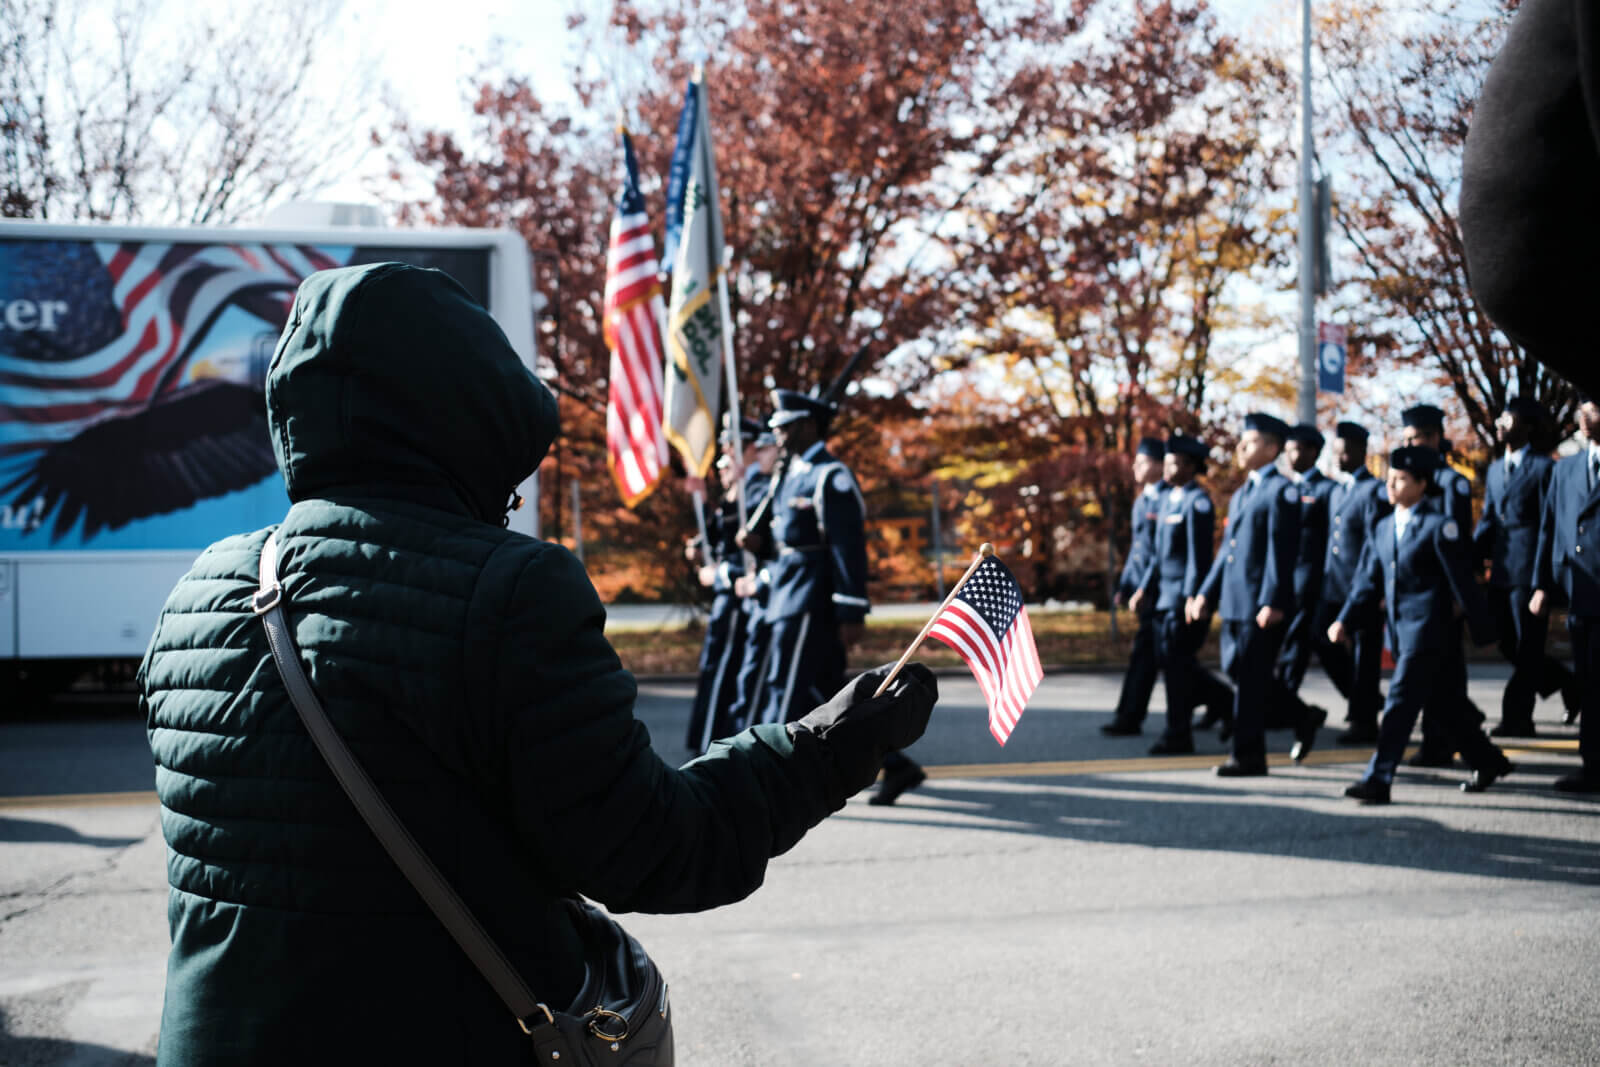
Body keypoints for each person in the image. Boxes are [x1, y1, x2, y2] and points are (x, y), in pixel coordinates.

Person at [137, 263, 939, 1064]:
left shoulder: (199, 591)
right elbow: (656, 847)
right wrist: (833, 744)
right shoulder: (509, 588)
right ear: (469, 421)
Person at [742, 388, 926, 805]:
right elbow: (786, 541)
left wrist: (851, 610)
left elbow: (846, 548)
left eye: (786, 428)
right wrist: (760, 546)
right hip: (787, 597)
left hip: (811, 601)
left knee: (788, 693)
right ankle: (897, 767)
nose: (780, 437)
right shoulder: (792, 474)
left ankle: (777, 781)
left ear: (807, 426)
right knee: (829, 698)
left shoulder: (830, 476)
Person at [1332, 446, 1513, 804]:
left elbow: (1462, 581)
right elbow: (1367, 581)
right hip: (1401, 632)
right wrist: (1345, 620)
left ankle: (1378, 778)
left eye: (1401, 480)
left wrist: (1483, 631)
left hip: (1430, 630)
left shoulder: (1437, 525)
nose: (1392, 486)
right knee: (1446, 705)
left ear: (1421, 484)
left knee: (1400, 703)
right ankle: (1489, 761)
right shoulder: (1383, 527)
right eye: (1390, 480)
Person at [1188, 412, 1321, 776]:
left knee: (1249, 679)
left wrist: (1274, 601)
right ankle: (1302, 715)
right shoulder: (1244, 491)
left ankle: (1247, 755)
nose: (1241, 446)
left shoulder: (1283, 491)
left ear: (1272, 447)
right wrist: (1205, 594)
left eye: (1251, 441)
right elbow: (1226, 552)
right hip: (1234, 599)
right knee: (1238, 669)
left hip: (1260, 604)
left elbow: (1283, 553)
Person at [1474, 397, 1578, 737]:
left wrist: (1543, 582)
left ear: (1528, 427)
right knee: (1505, 641)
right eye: (1501, 418)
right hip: (1501, 571)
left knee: (1527, 646)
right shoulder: (1493, 468)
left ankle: (1518, 718)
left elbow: (1551, 526)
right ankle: (1567, 683)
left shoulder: (1544, 468)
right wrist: (1469, 560)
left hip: (1530, 572)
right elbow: (1489, 520)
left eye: (1510, 419)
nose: (1501, 423)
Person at [1132, 433, 1232, 754]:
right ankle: (1226, 702)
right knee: (1175, 666)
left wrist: (1193, 596)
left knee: (1177, 670)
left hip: (1181, 600)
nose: (1167, 468)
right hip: (1162, 597)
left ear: (1190, 466)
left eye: (1174, 462)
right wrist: (1144, 588)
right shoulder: (1168, 500)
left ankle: (1179, 734)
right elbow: (1159, 556)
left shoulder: (1197, 502)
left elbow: (1198, 558)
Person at [1399, 403, 1487, 766]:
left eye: (1415, 439)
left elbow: (1459, 544)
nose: (1409, 446)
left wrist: (1457, 594)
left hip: (1443, 591)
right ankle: (1454, 736)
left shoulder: (1452, 483)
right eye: (1405, 439)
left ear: (1434, 438)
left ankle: (1443, 743)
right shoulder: (1411, 480)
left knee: (1446, 669)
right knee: (1435, 672)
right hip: (1417, 591)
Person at [683, 415, 768, 755]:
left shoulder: (757, 490)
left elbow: (752, 557)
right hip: (732, 602)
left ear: (748, 447)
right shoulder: (739, 492)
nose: (722, 459)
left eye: (730, 447)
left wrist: (717, 575)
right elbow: (721, 543)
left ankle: (711, 751)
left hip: (746, 603)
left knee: (731, 679)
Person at [1529, 396, 1600, 793]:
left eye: (1594, 410)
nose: (1585, 419)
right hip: (1581, 591)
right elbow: (1550, 526)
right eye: (1581, 411)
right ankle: (1592, 765)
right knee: (1589, 681)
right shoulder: (1567, 467)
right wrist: (1543, 583)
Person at [1313, 421, 1391, 744]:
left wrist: (1372, 587)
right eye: (1336, 451)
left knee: (1365, 655)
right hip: (1334, 585)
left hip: (1363, 588)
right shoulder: (1337, 490)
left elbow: (1375, 546)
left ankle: (1364, 721)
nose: (1339, 457)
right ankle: (1366, 700)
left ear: (1361, 451)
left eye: (1344, 451)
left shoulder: (1373, 491)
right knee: (1320, 638)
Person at [1102, 436, 1167, 737]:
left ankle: (1129, 717)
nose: (1135, 467)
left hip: (1159, 591)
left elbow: (1160, 553)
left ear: (1158, 465)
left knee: (1149, 655)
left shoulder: (1169, 497)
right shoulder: (1142, 501)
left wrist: (1143, 588)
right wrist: (1126, 584)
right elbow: (1138, 549)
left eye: (1142, 462)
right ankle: (1221, 703)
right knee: (1158, 656)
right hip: (1142, 590)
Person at [1272, 423, 1336, 730]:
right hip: (1286, 577)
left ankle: (1282, 705)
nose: (1290, 456)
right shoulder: (1288, 487)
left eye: (1295, 449)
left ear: (1313, 452)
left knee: (1296, 643)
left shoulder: (1326, 490)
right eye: (1286, 450)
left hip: (1309, 579)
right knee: (1301, 643)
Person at [726, 428, 781, 732]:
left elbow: (790, 549)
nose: (759, 454)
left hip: (781, 596)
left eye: (766, 448)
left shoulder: (781, 485)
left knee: (771, 684)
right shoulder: (764, 484)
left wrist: (761, 579)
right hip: (766, 600)